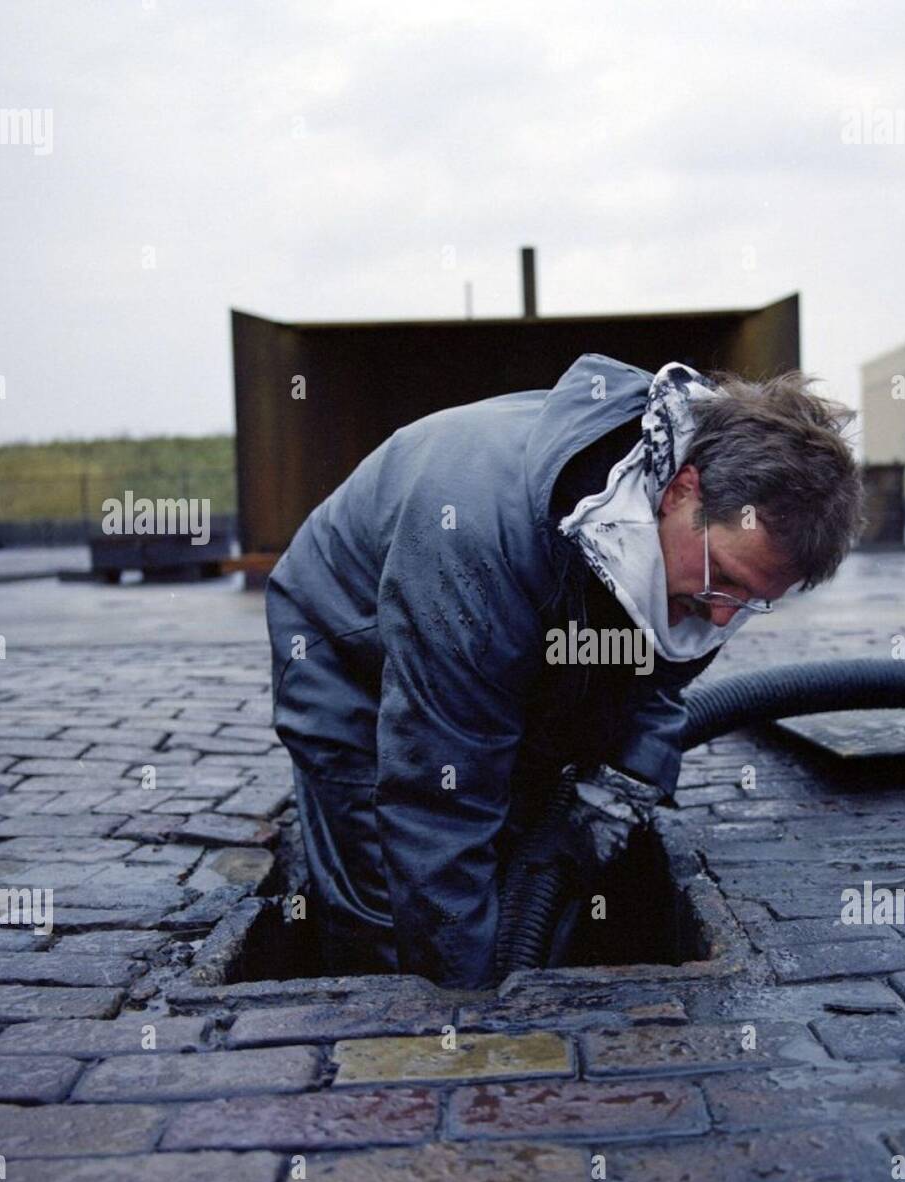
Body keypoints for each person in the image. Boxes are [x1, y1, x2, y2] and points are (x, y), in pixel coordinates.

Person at [265, 354, 863, 989]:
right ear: (683, 489)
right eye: (727, 582)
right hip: (348, 640)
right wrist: (475, 1018)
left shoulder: (701, 567)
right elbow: (440, 795)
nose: (721, 617)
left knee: (522, 840)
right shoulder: (480, 528)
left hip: (513, 627)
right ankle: (385, 1038)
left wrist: (615, 790)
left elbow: (652, 683)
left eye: (750, 601)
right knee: (388, 881)